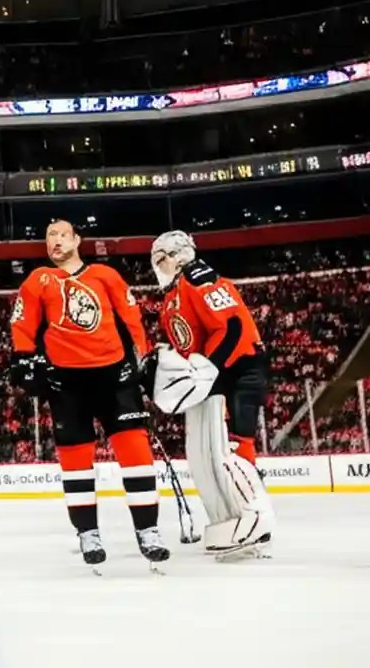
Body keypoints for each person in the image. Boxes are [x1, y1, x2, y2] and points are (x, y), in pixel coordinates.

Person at [8, 219, 168, 567]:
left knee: (136, 451)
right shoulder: (38, 280)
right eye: (50, 236)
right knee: (76, 461)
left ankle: (148, 531)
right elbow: (22, 324)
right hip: (66, 382)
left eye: (63, 235)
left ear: (77, 240)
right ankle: (88, 534)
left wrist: (140, 358)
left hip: (115, 377)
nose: (56, 241)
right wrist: (23, 359)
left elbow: (131, 316)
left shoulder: (105, 275)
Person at [146, 230, 274, 557]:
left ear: (178, 256)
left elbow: (231, 326)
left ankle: (255, 519)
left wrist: (211, 368)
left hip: (239, 366)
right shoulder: (171, 296)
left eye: (161, 259)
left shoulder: (199, 277)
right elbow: (188, 343)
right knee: (209, 451)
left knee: (233, 444)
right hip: (215, 376)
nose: (157, 267)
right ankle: (231, 517)